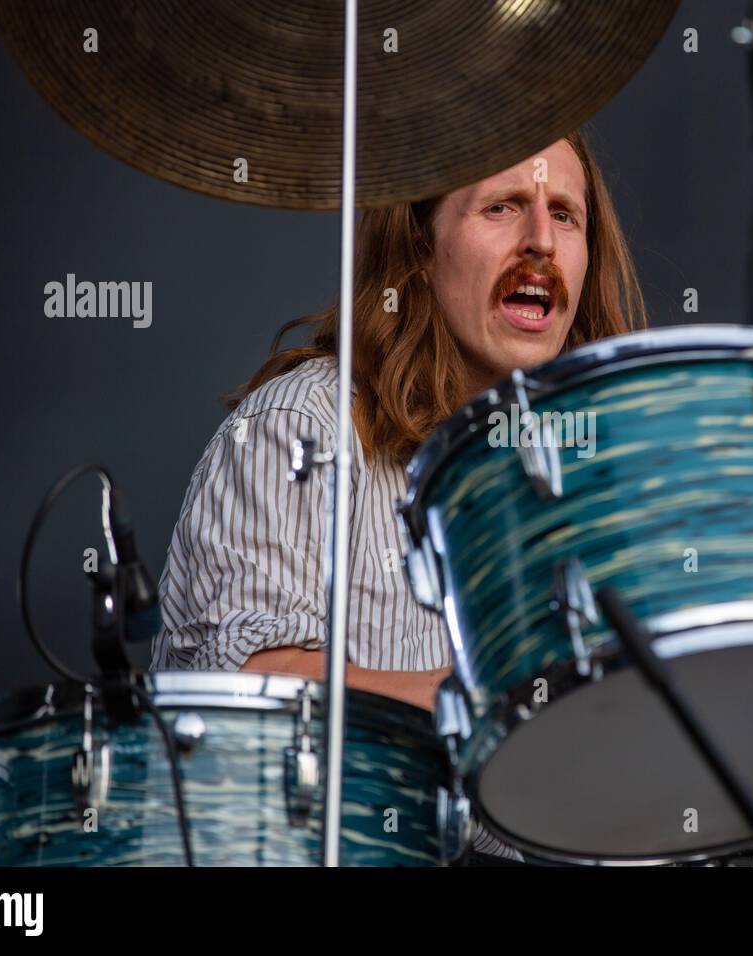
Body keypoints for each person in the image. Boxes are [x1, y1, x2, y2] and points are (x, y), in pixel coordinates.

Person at [149, 130, 647, 855]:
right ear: (418, 252)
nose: (542, 239)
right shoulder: (303, 424)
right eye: (503, 207)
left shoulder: (582, 480)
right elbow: (249, 691)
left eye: (566, 215)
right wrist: (485, 702)